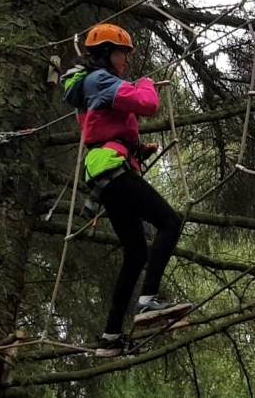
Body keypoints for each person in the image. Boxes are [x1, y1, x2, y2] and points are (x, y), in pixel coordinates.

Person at [61, 23, 191, 357]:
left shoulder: (91, 85)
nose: (125, 61)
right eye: (122, 53)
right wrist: (145, 84)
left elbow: (104, 128)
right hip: (111, 170)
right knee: (169, 222)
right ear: (106, 52)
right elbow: (147, 104)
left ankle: (110, 337)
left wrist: (135, 150)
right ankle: (148, 302)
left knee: (136, 252)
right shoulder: (100, 80)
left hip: (107, 170)